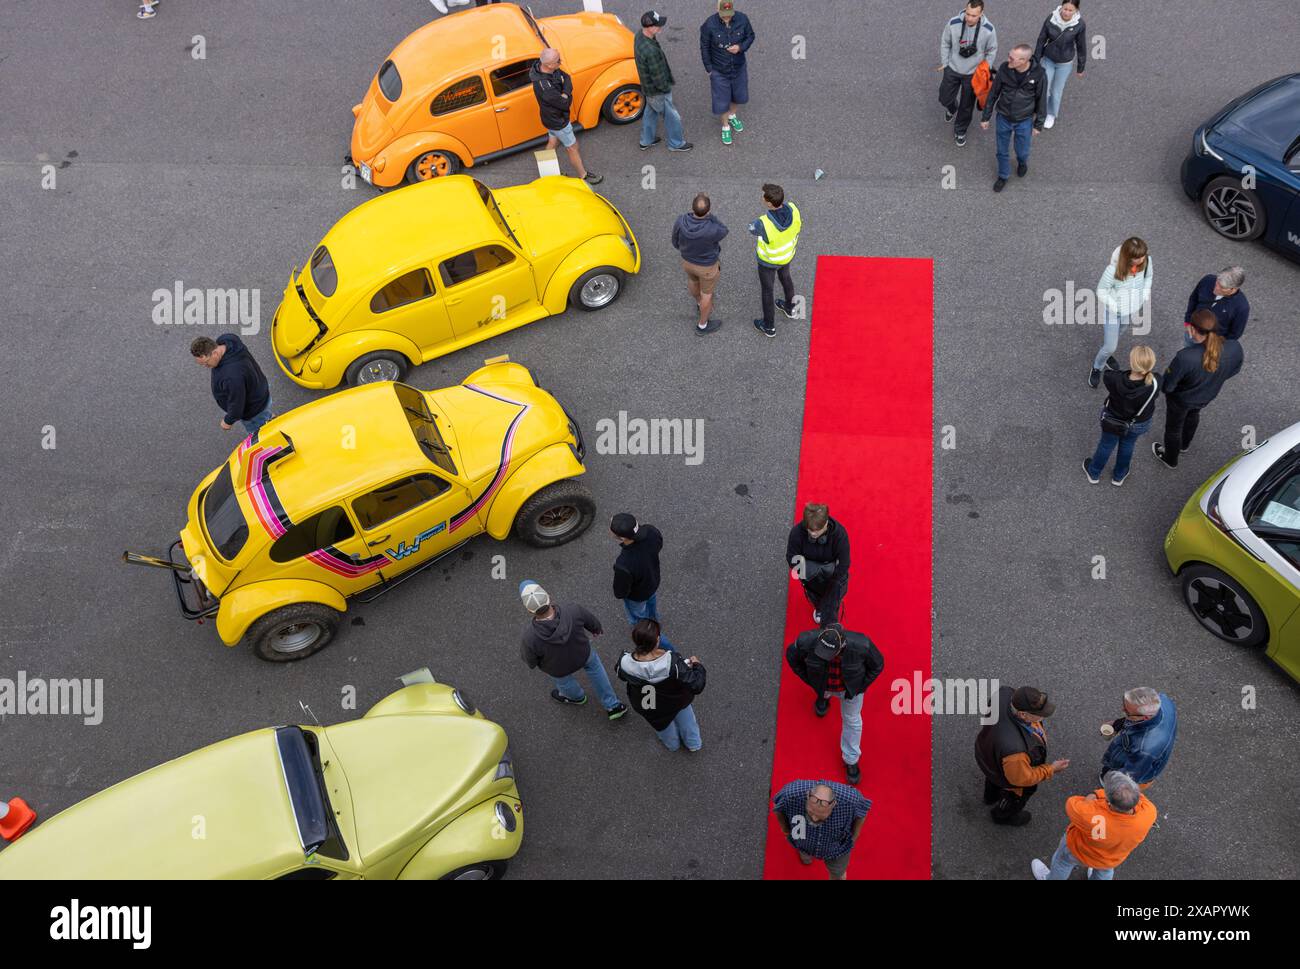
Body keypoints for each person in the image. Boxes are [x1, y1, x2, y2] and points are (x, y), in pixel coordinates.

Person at [786, 624, 885, 786]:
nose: (825, 657)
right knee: (825, 694)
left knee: (852, 721)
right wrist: (811, 682)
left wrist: (859, 688)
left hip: (849, 690)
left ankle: (851, 759)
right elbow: (792, 657)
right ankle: (823, 697)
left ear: (843, 645)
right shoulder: (806, 641)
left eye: (830, 654)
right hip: (824, 684)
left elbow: (878, 665)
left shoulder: (862, 645)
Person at [518, 580, 627, 720]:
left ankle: (577, 697)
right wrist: (596, 629)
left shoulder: (529, 637)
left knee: (565, 682)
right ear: (549, 597)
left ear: (529, 610)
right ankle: (613, 706)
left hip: (557, 667)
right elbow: (591, 621)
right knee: (596, 669)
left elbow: (530, 661)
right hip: (583, 653)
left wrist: (536, 663)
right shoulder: (572, 609)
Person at [1153, 309, 1244, 469]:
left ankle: (1170, 459)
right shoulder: (1234, 347)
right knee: (1193, 415)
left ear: (1193, 330)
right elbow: (1234, 370)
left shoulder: (1185, 357)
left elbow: (1168, 386)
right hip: (1207, 395)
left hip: (1181, 400)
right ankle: (1184, 445)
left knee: (1173, 429)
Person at [1031, 771, 1156, 880]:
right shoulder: (1149, 812)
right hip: (1111, 858)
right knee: (1104, 871)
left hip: (1078, 851)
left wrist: (1096, 794)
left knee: (1062, 863)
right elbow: (1139, 796)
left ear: (1109, 801)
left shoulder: (1090, 815)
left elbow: (1072, 803)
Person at [975, 685, 1069, 826]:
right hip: (1008, 771)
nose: (1043, 716)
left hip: (988, 754)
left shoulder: (1004, 694)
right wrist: (1051, 769)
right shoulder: (1016, 752)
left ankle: (990, 797)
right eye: (1039, 713)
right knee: (1013, 797)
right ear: (1023, 714)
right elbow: (1021, 779)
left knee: (993, 780)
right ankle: (1002, 815)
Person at [616, 619, 706, 752]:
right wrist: (697, 666)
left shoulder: (624, 663)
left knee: (662, 727)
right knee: (687, 722)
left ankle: (672, 745)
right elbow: (696, 685)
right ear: (657, 640)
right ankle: (693, 744)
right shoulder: (672, 663)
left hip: (649, 705)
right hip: (676, 700)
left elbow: (621, 675)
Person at [1082, 345, 1159, 486]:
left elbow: (1108, 376)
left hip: (1113, 418)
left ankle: (1094, 473)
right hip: (1138, 422)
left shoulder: (1114, 379)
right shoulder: (1155, 383)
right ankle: (1119, 476)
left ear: (1132, 363)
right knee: (1128, 444)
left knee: (1106, 445)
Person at [979, 44, 1046, 192]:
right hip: (1003, 117)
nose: (1008, 59)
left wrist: (1038, 124)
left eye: (1012, 58)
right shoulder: (1004, 69)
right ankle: (1003, 175)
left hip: (1024, 120)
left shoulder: (1039, 74)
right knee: (1002, 150)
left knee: (1022, 150)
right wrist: (986, 117)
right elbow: (993, 94)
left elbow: (1041, 99)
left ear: (1023, 60)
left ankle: (1022, 162)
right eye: (1009, 56)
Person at [772, 780, 871, 880]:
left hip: (836, 850)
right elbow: (778, 806)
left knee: (837, 874)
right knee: (803, 849)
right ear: (807, 796)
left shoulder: (852, 800)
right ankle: (805, 854)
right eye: (811, 812)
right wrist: (786, 830)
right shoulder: (791, 793)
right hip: (803, 840)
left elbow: (862, 812)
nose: (814, 818)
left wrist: (854, 836)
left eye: (821, 816)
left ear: (833, 804)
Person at [530, 48, 602, 185]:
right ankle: (583, 176)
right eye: (558, 61)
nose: (560, 62)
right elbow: (564, 104)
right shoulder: (544, 86)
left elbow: (567, 77)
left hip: (550, 118)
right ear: (549, 65)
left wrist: (565, 92)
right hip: (558, 120)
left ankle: (548, 174)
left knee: (552, 142)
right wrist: (566, 93)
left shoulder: (546, 69)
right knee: (572, 147)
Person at [1089, 237, 1153, 387]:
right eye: (1137, 257)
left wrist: (1144, 294)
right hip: (1114, 311)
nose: (1141, 259)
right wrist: (1114, 306)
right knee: (1111, 346)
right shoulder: (1113, 270)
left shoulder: (1147, 261)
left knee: (1116, 338)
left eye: (1142, 256)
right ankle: (1097, 367)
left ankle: (1106, 353)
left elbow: (1148, 277)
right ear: (1127, 256)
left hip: (1130, 310)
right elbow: (1101, 291)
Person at [610, 514, 676, 652]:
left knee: (641, 622)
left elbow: (620, 592)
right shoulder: (651, 531)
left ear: (622, 538)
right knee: (651, 603)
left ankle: (665, 645)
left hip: (637, 595)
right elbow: (659, 544)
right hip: (653, 581)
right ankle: (655, 619)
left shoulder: (624, 563)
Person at [938, 1, 997, 148]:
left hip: (973, 73)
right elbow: (945, 43)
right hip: (952, 68)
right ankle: (952, 107)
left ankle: (960, 130)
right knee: (944, 97)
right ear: (965, 10)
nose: (969, 18)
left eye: (974, 15)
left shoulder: (988, 30)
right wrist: (945, 64)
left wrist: (985, 70)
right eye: (968, 14)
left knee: (966, 106)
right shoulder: (953, 23)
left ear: (981, 14)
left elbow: (992, 50)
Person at [191, 335, 273, 435]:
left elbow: (237, 402)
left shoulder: (231, 376)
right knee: (265, 416)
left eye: (206, 363)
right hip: (259, 390)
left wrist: (228, 421)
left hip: (253, 411)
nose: (205, 366)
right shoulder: (228, 339)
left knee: (262, 435)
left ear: (215, 353)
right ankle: (268, 418)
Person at [748, 183, 801, 338]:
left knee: (767, 291)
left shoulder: (763, 223)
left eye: (763, 196)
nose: (761, 197)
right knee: (786, 278)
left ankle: (769, 326)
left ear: (769, 203)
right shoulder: (793, 209)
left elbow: (751, 229)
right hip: (786, 256)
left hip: (768, 262)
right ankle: (790, 308)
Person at [635, 12, 693, 153]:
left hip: (648, 88)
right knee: (672, 117)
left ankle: (646, 140)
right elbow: (658, 77)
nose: (661, 27)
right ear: (649, 27)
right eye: (657, 25)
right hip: (657, 91)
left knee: (650, 112)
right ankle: (676, 143)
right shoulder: (651, 51)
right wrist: (666, 89)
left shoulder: (640, 35)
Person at [699, 0, 754, 146]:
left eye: (729, 15)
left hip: (738, 67)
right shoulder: (709, 25)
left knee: (738, 95)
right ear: (718, 11)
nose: (726, 18)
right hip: (719, 70)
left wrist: (740, 47)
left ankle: (732, 115)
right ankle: (725, 126)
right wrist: (709, 69)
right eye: (724, 16)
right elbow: (704, 47)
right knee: (722, 101)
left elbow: (750, 36)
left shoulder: (743, 19)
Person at [671, 193, 728, 335]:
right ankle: (703, 325)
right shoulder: (712, 228)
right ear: (708, 211)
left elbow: (674, 240)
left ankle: (698, 303)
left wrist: (684, 250)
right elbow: (724, 230)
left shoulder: (681, 220)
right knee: (707, 294)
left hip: (687, 261)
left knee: (692, 280)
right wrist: (711, 217)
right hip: (707, 266)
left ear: (692, 208)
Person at [786, 503, 849, 626]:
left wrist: (834, 583)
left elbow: (844, 563)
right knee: (815, 596)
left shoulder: (839, 535)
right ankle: (819, 608)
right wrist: (803, 573)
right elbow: (791, 557)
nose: (813, 534)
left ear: (826, 523)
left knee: (833, 598)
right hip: (810, 574)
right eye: (810, 530)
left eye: (817, 531)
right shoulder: (797, 533)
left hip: (833, 573)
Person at [1100, 687, 1177, 788]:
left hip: (1138, 767)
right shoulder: (1162, 700)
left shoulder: (1145, 749)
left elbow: (1130, 775)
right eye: (1124, 704)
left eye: (1127, 712)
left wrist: (1111, 786)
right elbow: (1133, 717)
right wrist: (1118, 723)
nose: (1122, 709)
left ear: (1145, 717)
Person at [1033, 2, 1086, 129]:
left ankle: (1051, 113)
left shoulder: (1079, 24)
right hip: (1048, 58)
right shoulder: (1051, 18)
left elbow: (1081, 46)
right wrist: (1036, 60)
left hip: (1065, 63)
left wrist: (1081, 67)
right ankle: (1041, 112)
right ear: (1061, 7)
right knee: (1044, 88)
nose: (1066, 13)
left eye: (1070, 10)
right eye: (1065, 9)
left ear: (1076, 10)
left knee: (1056, 92)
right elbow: (1041, 39)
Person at [1184, 267, 1249, 342]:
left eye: (1222, 287)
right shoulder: (1207, 280)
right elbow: (1193, 299)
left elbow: (1235, 333)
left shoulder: (1241, 307)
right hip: (1192, 331)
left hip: (1212, 343)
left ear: (1233, 289)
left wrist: (1217, 345)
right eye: (1217, 282)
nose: (1216, 288)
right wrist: (1187, 322)